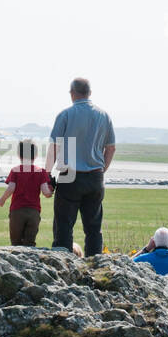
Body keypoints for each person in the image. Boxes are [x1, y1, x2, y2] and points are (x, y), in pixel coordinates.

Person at [45, 77, 115, 255]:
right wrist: (101, 169)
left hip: (70, 176)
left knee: (63, 226)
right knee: (93, 228)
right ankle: (96, 265)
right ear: (90, 93)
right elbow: (111, 148)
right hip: (95, 176)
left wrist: (46, 177)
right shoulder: (104, 116)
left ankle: (63, 264)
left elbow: (54, 147)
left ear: (72, 93)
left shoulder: (65, 115)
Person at [0, 139, 54, 246]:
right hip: (34, 212)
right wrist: (52, 190)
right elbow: (46, 193)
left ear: (19, 154)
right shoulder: (41, 172)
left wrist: (2, 199)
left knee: (16, 244)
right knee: (30, 244)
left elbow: (11, 188)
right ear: (35, 155)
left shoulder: (15, 170)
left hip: (17, 211)